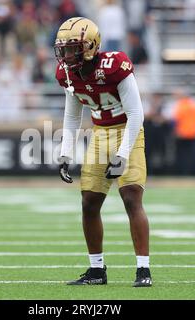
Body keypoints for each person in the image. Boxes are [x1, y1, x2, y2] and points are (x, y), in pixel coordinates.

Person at [54, 17, 152, 287]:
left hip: (127, 130)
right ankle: (97, 270)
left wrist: (121, 155)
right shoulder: (67, 73)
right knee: (89, 203)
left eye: (72, 48)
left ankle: (143, 270)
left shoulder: (114, 64)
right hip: (99, 133)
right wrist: (65, 153)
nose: (66, 55)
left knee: (131, 197)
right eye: (63, 49)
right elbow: (73, 116)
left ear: (90, 45)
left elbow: (136, 114)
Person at [172, 88, 195, 175]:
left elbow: (175, 120)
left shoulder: (180, 104)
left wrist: (176, 130)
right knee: (194, 155)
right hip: (194, 133)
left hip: (182, 134)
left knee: (182, 155)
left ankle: (183, 173)